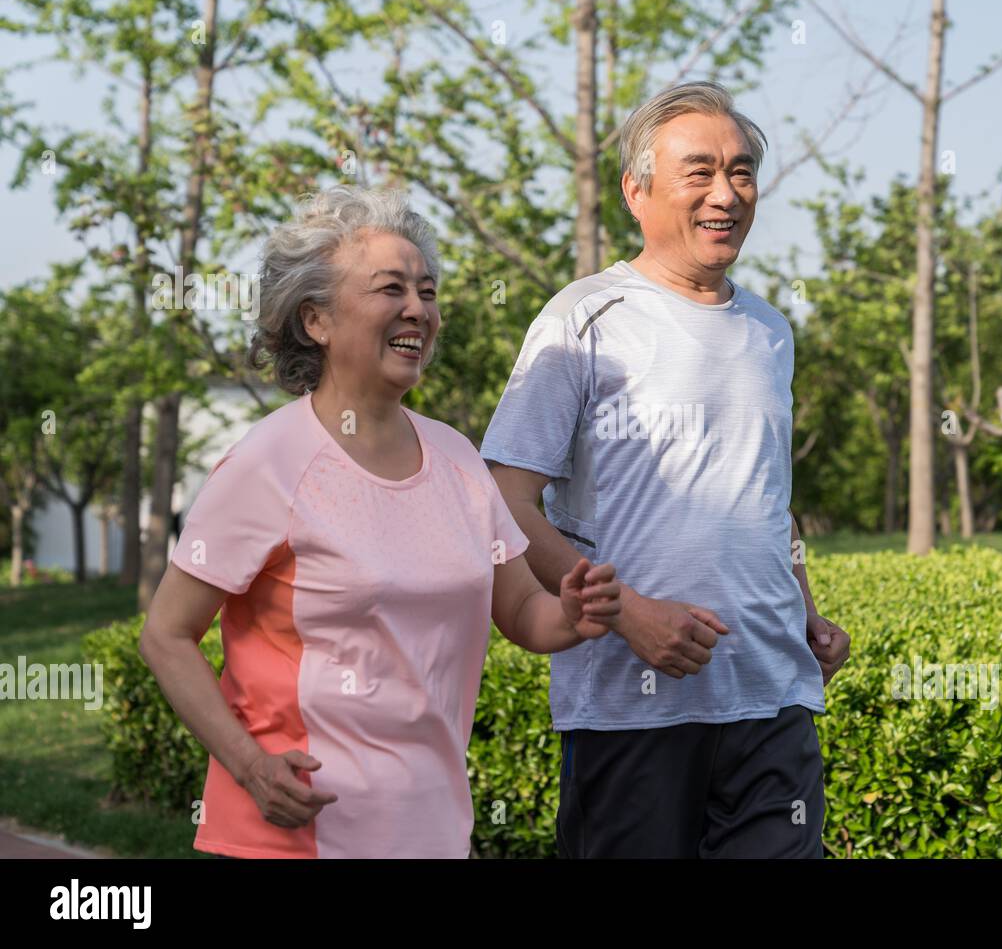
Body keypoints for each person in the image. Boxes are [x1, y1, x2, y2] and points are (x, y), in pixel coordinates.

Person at [139, 185, 621, 858]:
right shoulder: (269, 462)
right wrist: (250, 767)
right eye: (391, 289)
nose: (418, 310)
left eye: (427, 291)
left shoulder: (456, 457)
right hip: (291, 838)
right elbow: (165, 633)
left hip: (431, 833)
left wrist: (573, 615)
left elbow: (522, 612)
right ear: (317, 320)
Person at [481, 81, 851, 858]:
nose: (727, 193)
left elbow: (768, 500)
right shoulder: (583, 317)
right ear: (637, 189)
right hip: (630, 710)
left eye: (742, 171)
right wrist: (627, 612)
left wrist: (806, 612)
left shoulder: (770, 330)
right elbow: (503, 499)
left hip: (771, 700)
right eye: (701, 171)